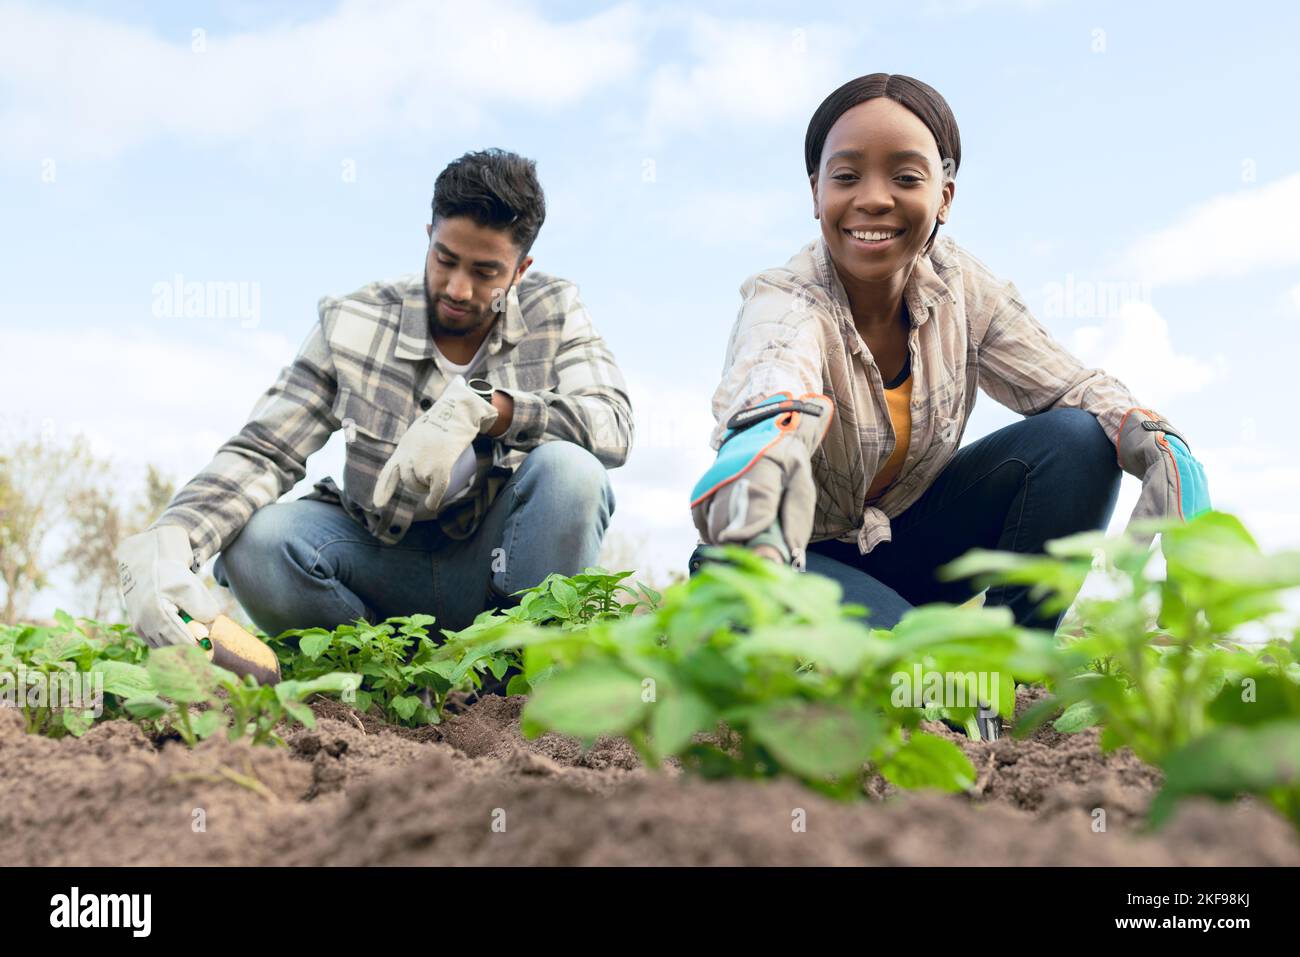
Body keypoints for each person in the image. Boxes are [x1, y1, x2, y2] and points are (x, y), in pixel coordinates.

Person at [689, 73, 1210, 636]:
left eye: (906, 176)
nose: (872, 198)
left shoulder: (961, 286)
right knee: (919, 672)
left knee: (1078, 439)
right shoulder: (786, 299)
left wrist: (1157, 442)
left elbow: (1069, 388)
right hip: (782, 559)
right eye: (846, 176)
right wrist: (763, 462)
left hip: (901, 548)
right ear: (816, 192)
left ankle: (1013, 661)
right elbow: (772, 381)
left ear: (944, 197)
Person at [117, 149, 633, 648]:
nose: (457, 288)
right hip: (378, 561)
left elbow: (611, 424)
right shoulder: (354, 322)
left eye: (485, 272)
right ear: (428, 237)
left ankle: (515, 679)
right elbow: (266, 449)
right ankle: (388, 669)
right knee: (259, 543)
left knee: (572, 471)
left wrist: (491, 410)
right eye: (445, 259)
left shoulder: (555, 310)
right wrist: (176, 537)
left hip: (494, 571)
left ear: (520, 270)